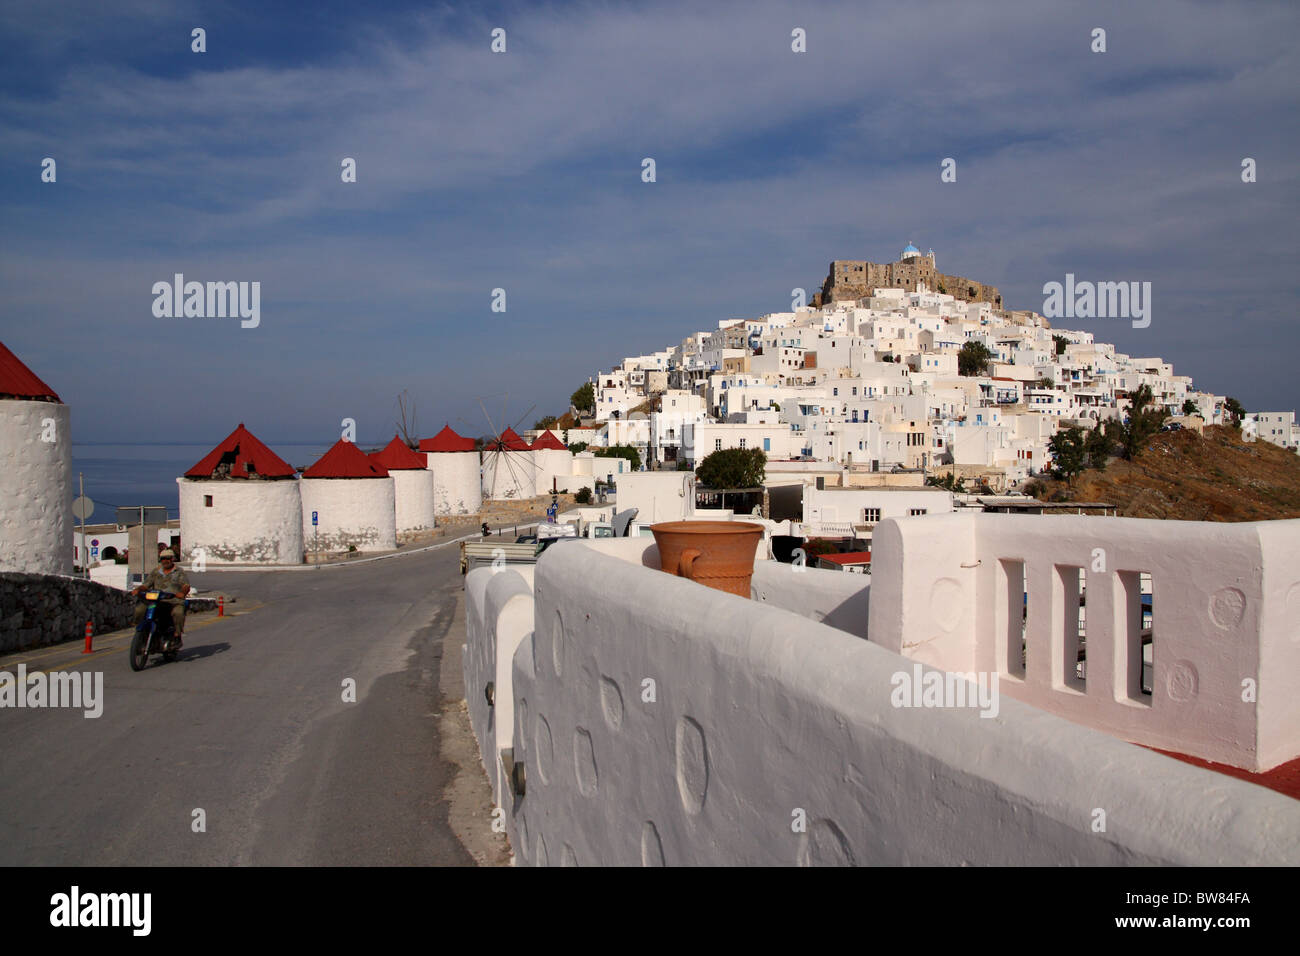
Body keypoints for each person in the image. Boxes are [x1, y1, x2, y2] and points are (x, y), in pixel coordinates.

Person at [131, 549, 191, 648]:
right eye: (163, 559)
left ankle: (177, 635)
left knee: (178, 613)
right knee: (139, 609)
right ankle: (140, 632)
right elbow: (146, 585)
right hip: (156, 600)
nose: (165, 561)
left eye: (168, 558)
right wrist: (138, 589)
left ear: (172, 559)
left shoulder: (179, 572)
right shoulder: (156, 571)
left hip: (173, 600)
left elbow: (186, 585)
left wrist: (182, 593)